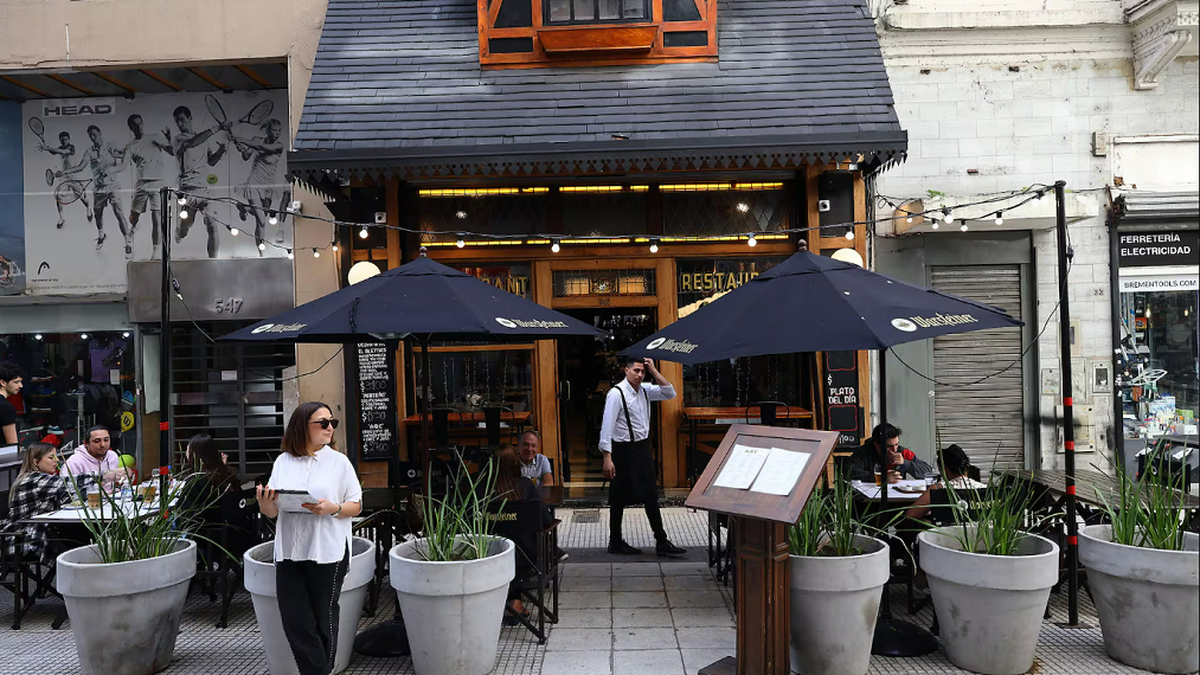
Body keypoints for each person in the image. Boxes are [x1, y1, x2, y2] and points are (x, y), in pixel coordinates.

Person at [257, 402, 362, 675]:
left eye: (332, 423)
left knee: (323, 619)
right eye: (323, 423)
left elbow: (356, 505)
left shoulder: (338, 462)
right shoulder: (283, 461)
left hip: (327, 550)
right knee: (295, 620)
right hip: (290, 549)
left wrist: (333, 509)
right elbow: (272, 512)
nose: (330, 428)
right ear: (302, 426)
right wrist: (264, 502)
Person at [599, 356, 686, 557]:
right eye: (636, 371)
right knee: (618, 497)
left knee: (651, 496)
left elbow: (670, 392)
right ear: (626, 371)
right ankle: (615, 541)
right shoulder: (616, 393)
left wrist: (654, 371)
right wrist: (607, 457)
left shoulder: (645, 389)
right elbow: (606, 428)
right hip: (622, 450)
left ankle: (662, 541)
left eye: (642, 371)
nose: (639, 375)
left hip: (642, 449)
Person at [1, 443, 95, 562]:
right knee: (79, 539)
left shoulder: (43, 480)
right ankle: (77, 570)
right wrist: (103, 476)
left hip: (42, 533)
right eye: (51, 458)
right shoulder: (33, 480)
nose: (57, 461)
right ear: (36, 462)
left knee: (80, 536)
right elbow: (67, 482)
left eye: (56, 457)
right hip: (25, 540)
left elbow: (67, 496)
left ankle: (77, 570)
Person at [491, 444, 552, 624]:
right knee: (515, 551)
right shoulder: (525, 486)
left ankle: (512, 603)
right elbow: (546, 519)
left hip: (489, 554)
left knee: (507, 552)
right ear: (515, 464)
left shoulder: (482, 491)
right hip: (527, 555)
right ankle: (514, 604)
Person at [59, 125, 132, 255]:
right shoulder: (89, 152)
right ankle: (101, 235)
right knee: (98, 215)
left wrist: (117, 157)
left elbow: (127, 153)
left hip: (113, 185)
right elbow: (80, 167)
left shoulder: (111, 145)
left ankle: (128, 243)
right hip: (99, 188)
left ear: (100, 133)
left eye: (94, 134)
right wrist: (64, 171)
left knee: (118, 213)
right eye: (90, 136)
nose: (93, 137)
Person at [170, 105, 230, 258]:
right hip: (187, 191)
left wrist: (221, 151)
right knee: (185, 228)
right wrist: (217, 128)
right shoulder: (178, 139)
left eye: (182, 120)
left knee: (212, 225)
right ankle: (180, 232)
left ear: (190, 119)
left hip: (205, 190)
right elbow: (193, 143)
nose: (180, 124)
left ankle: (213, 263)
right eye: (177, 121)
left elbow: (211, 162)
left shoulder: (204, 140)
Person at [231, 117, 288, 249]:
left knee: (265, 213)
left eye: (279, 131)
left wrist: (242, 140)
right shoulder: (257, 139)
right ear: (268, 131)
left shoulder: (279, 146)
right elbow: (246, 157)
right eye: (274, 130)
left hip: (268, 184)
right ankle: (261, 250)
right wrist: (242, 149)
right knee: (261, 221)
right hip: (254, 183)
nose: (277, 133)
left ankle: (244, 208)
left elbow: (260, 147)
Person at [122, 114, 173, 258]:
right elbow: (122, 165)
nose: (139, 127)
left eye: (140, 123)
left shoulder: (155, 137)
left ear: (143, 123)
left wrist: (169, 138)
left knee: (157, 219)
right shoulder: (131, 146)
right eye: (135, 125)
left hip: (158, 183)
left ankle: (155, 253)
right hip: (142, 184)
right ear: (131, 128)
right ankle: (133, 228)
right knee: (133, 217)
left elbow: (172, 152)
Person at [905, 444, 987, 522]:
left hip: (946, 535)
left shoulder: (938, 488)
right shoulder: (984, 489)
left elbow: (911, 514)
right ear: (966, 469)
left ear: (944, 470)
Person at [38, 130, 92, 228]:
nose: (64, 141)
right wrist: (47, 149)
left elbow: (62, 152)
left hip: (75, 176)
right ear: (60, 140)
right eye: (62, 140)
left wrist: (48, 148)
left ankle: (88, 209)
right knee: (58, 197)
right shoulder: (59, 148)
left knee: (82, 197)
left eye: (66, 139)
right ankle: (61, 218)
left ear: (69, 139)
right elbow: (54, 152)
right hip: (64, 177)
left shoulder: (72, 148)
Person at [847, 423, 932, 484]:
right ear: (876, 444)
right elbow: (850, 472)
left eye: (896, 444)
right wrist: (882, 478)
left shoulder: (902, 452)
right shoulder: (863, 453)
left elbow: (928, 473)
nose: (894, 449)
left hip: (897, 499)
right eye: (889, 446)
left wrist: (906, 464)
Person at [0, 362, 22, 447]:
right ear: (3, 382)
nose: (21, 386)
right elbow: (12, 445)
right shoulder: (6, 408)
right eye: (16, 382)